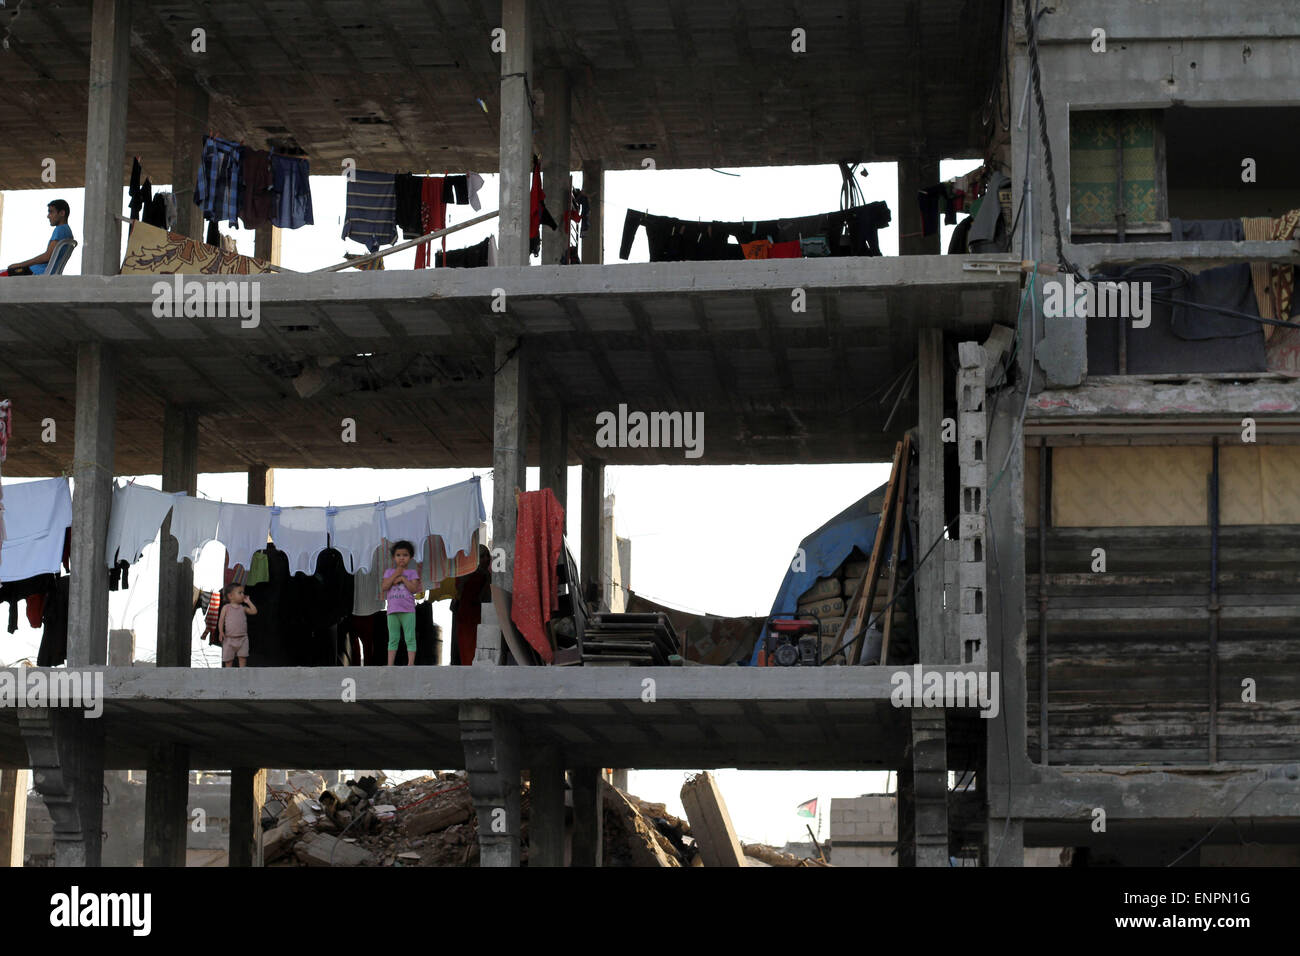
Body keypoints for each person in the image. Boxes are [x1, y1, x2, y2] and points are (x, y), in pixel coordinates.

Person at [2, 199, 74, 276]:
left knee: (2, 273)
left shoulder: (60, 229)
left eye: (51, 212)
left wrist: (20, 265)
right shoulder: (68, 232)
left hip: (38, 272)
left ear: (62, 213)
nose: (48, 216)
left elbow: (47, 257)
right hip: (47, 272)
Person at [382, 540, 422, 666]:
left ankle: (410, 664)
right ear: (394, 557)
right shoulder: (389, 572)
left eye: (405, 555)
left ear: (410, 557)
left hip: (408, 610)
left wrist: (403, 578)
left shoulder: (412, 573)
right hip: (392, 611)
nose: (401, 558)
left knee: (410, 638)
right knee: (393, 638)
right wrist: (396, 574)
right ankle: (390, 665)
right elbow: (385, 586)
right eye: (398, 555)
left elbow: (414, 589)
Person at [219, 582, 257, 668]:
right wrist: (221, 632)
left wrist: (248, 602)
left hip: (242, 639)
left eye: (243, 593)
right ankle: (228, 676)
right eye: (240, 593)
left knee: (242, 659)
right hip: (229, 639)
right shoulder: (226, 608)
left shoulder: (243, 608)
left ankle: (242, 674)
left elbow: (254, 611)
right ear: (230, 596)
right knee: (228, 661)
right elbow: (221, 620)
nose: (243, 595)